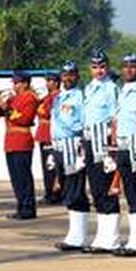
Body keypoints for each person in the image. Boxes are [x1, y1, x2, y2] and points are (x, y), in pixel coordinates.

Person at [81, 50, 121, 252]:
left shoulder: (111, 88)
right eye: (95, 67)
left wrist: (113, 145)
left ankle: (112, 238)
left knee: (106, 188)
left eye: (102, 66)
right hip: (90, 139)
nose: (99, 70)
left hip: (103, 141)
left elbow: (115, 118)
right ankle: (102, 236)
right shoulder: (89, 88)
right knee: (96, 188)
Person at [113, 53, 136, 256]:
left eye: (133, 66)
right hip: (123, 144)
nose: (128, 70)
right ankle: (135, 239)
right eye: (125, 66)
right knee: (130, 193)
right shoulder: (122, 91)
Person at [0, 70, 38, 219]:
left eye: (17, 83)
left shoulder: (30, 98)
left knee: (23, 176)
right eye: (14, 83)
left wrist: (5, 107)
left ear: (25, 83)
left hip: (22, 140)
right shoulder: (13, 98)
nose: (14, 86)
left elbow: (24, 119)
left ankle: (28, 208)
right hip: (11, 140)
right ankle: (21, 205)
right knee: (16, 177)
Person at [53, 62, 89, 250]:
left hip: (72, 145)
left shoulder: (80, 97)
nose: (67, 78)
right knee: (67, 189)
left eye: (71, 74)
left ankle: (78, 236)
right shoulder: (59, 97)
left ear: (77, 76)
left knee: (75, 189)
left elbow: (83, 121)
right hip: (59, 146)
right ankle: (73, 232)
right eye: (65, 74)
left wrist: (78, 138)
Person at [35, 73, 63, 204]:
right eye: (47, 81)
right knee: (46, 165)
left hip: (50, 133)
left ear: (56, 83)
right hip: (43, 133)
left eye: (50, 81)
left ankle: (55, 193)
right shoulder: (47, 97)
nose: (47, 83)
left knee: (51, 165)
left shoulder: (57, 97)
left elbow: (45, 112)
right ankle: (49, 191)